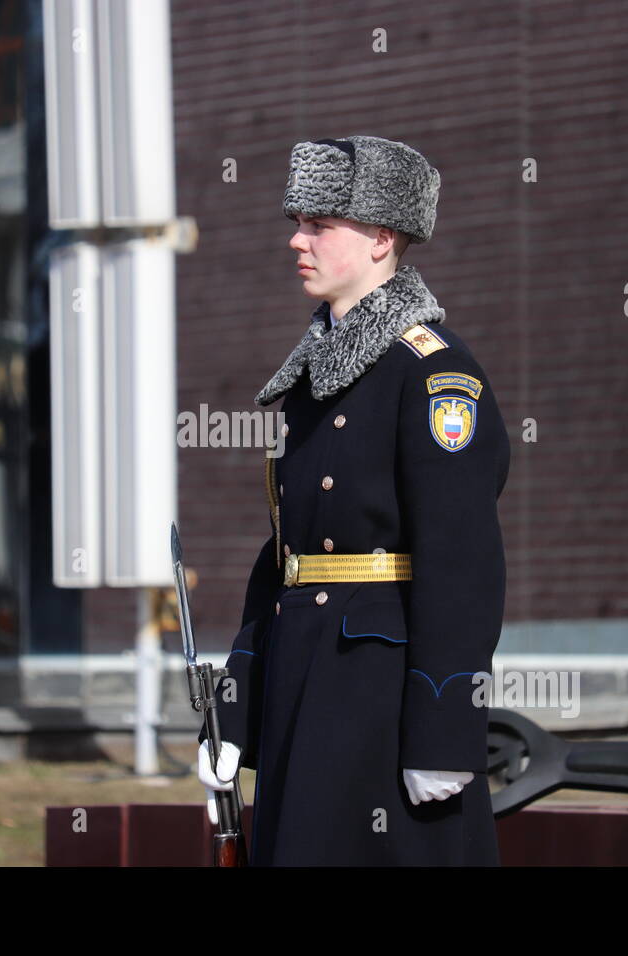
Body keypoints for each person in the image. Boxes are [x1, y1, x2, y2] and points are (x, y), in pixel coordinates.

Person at [197, 135, 510, 865]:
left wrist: (444, 726)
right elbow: (286, 562)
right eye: (297, 222)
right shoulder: (311, 378)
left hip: (383, 696)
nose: (296, 240)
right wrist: (235, 707)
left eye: (318, 224)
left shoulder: (434, 374)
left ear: (380, 238)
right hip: (305, 683)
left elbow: (462, 561)